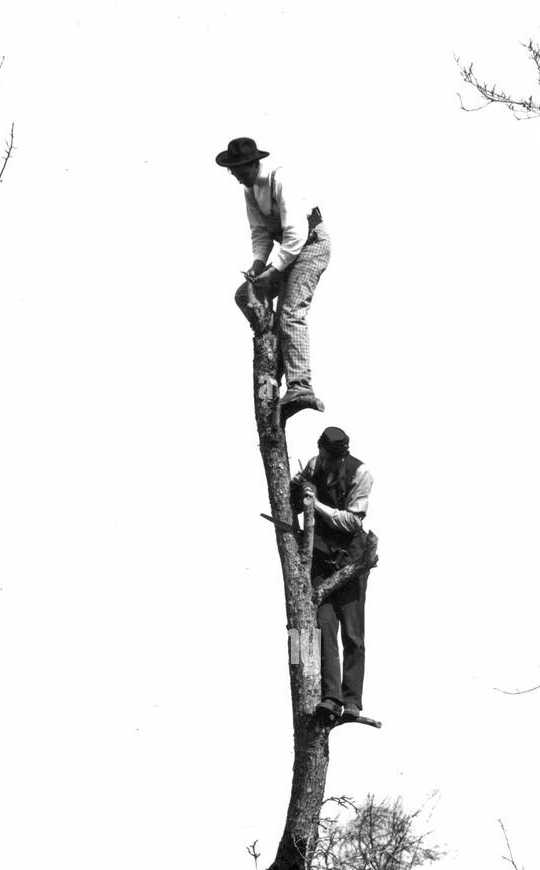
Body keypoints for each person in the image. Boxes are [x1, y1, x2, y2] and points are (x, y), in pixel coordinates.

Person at [215, 136, 330, 420]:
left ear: (253, 164)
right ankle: (272, 356)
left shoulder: (281, 179)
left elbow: (296, 234)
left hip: (311, 246)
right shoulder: (249, 190)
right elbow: (261, 233)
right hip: (290, 251)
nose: (235, 174)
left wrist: (274, 271)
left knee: (290, 312)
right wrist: (257, 266)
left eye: (239, 168)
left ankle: (301, 386)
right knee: (246, 295)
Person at [291, 426, 373, 720]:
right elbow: (294, 489)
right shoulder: (314, 464)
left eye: (329, 459)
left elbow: (351, 521)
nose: (324, 463)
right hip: (321, 559)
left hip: (352, 559)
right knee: (323, 627)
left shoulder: (360, 474)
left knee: (353, 633)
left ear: (342, 457)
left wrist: (318, 507)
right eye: (321, 455)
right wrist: (300, 490)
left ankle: (352, 702)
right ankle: (331, 697)